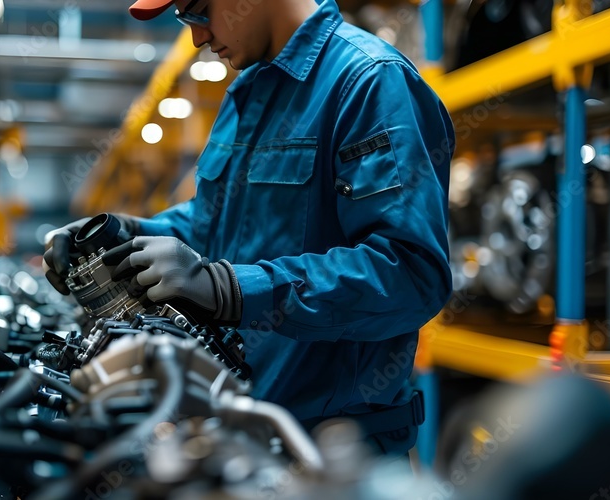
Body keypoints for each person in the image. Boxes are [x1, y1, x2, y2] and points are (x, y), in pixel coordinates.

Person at [44, 0, 454, 456]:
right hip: (234, 436)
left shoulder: (368, 81)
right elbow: (216, 221)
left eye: (197, 9)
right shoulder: (248, 92)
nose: (197, 36)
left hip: (328, 453)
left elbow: (411, 274)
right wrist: (124, 234)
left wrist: (234, 289)